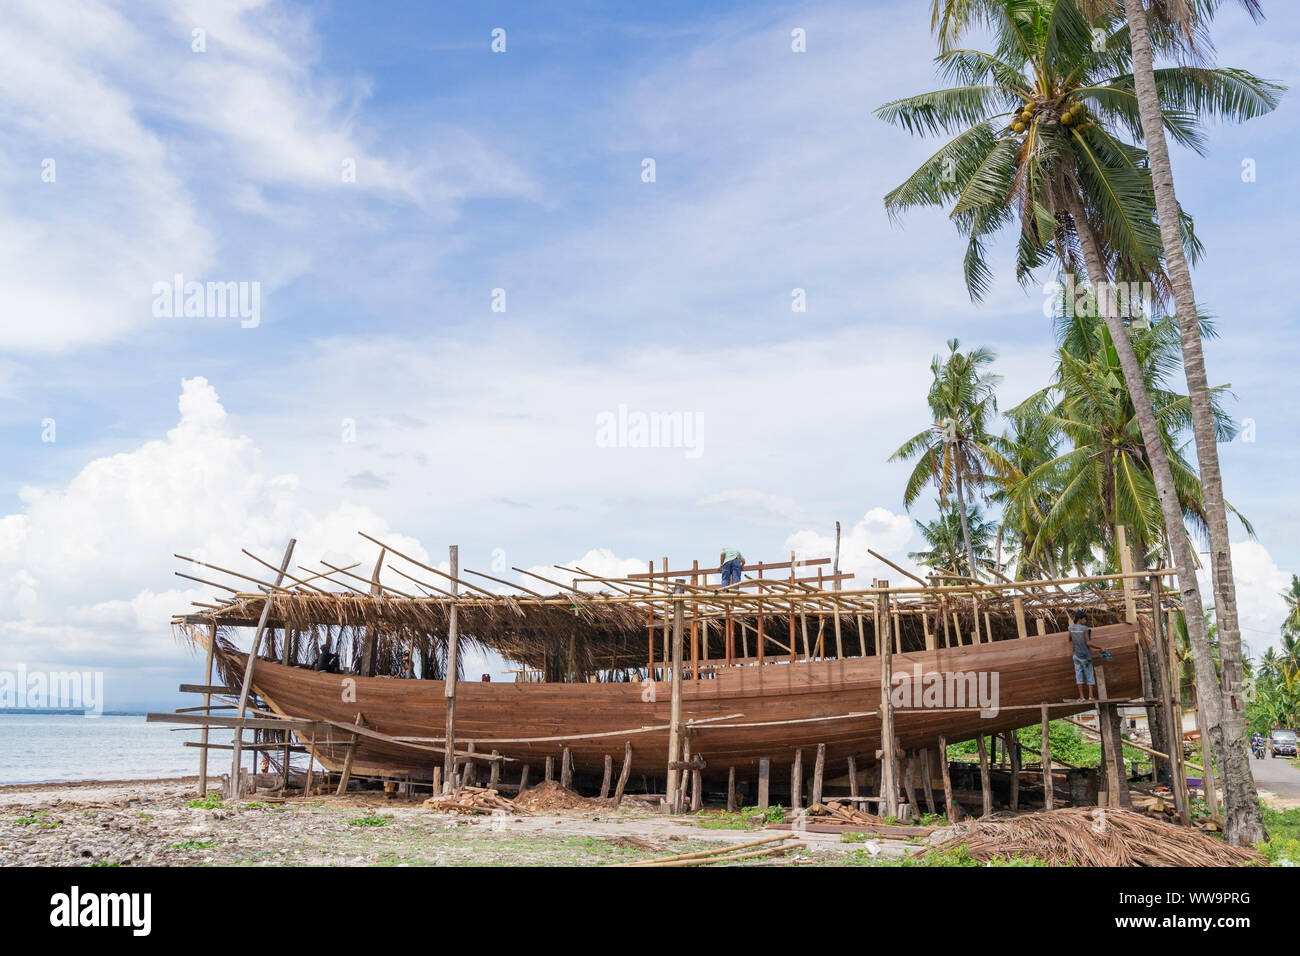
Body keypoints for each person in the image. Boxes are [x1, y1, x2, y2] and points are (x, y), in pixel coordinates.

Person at [1067, 610, 1102, 701]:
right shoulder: (1085, 629)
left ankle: (1082, 697)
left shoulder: (1070, 628)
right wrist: (1099, 647)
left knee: (1079, 676)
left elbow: (1069, 639)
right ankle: (1090, 696)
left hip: (1076, 656)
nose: (1085, 621)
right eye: (1085, 619)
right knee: (1089, 675)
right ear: (1081, 619)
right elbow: (1088, 643)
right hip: (1085, 656)